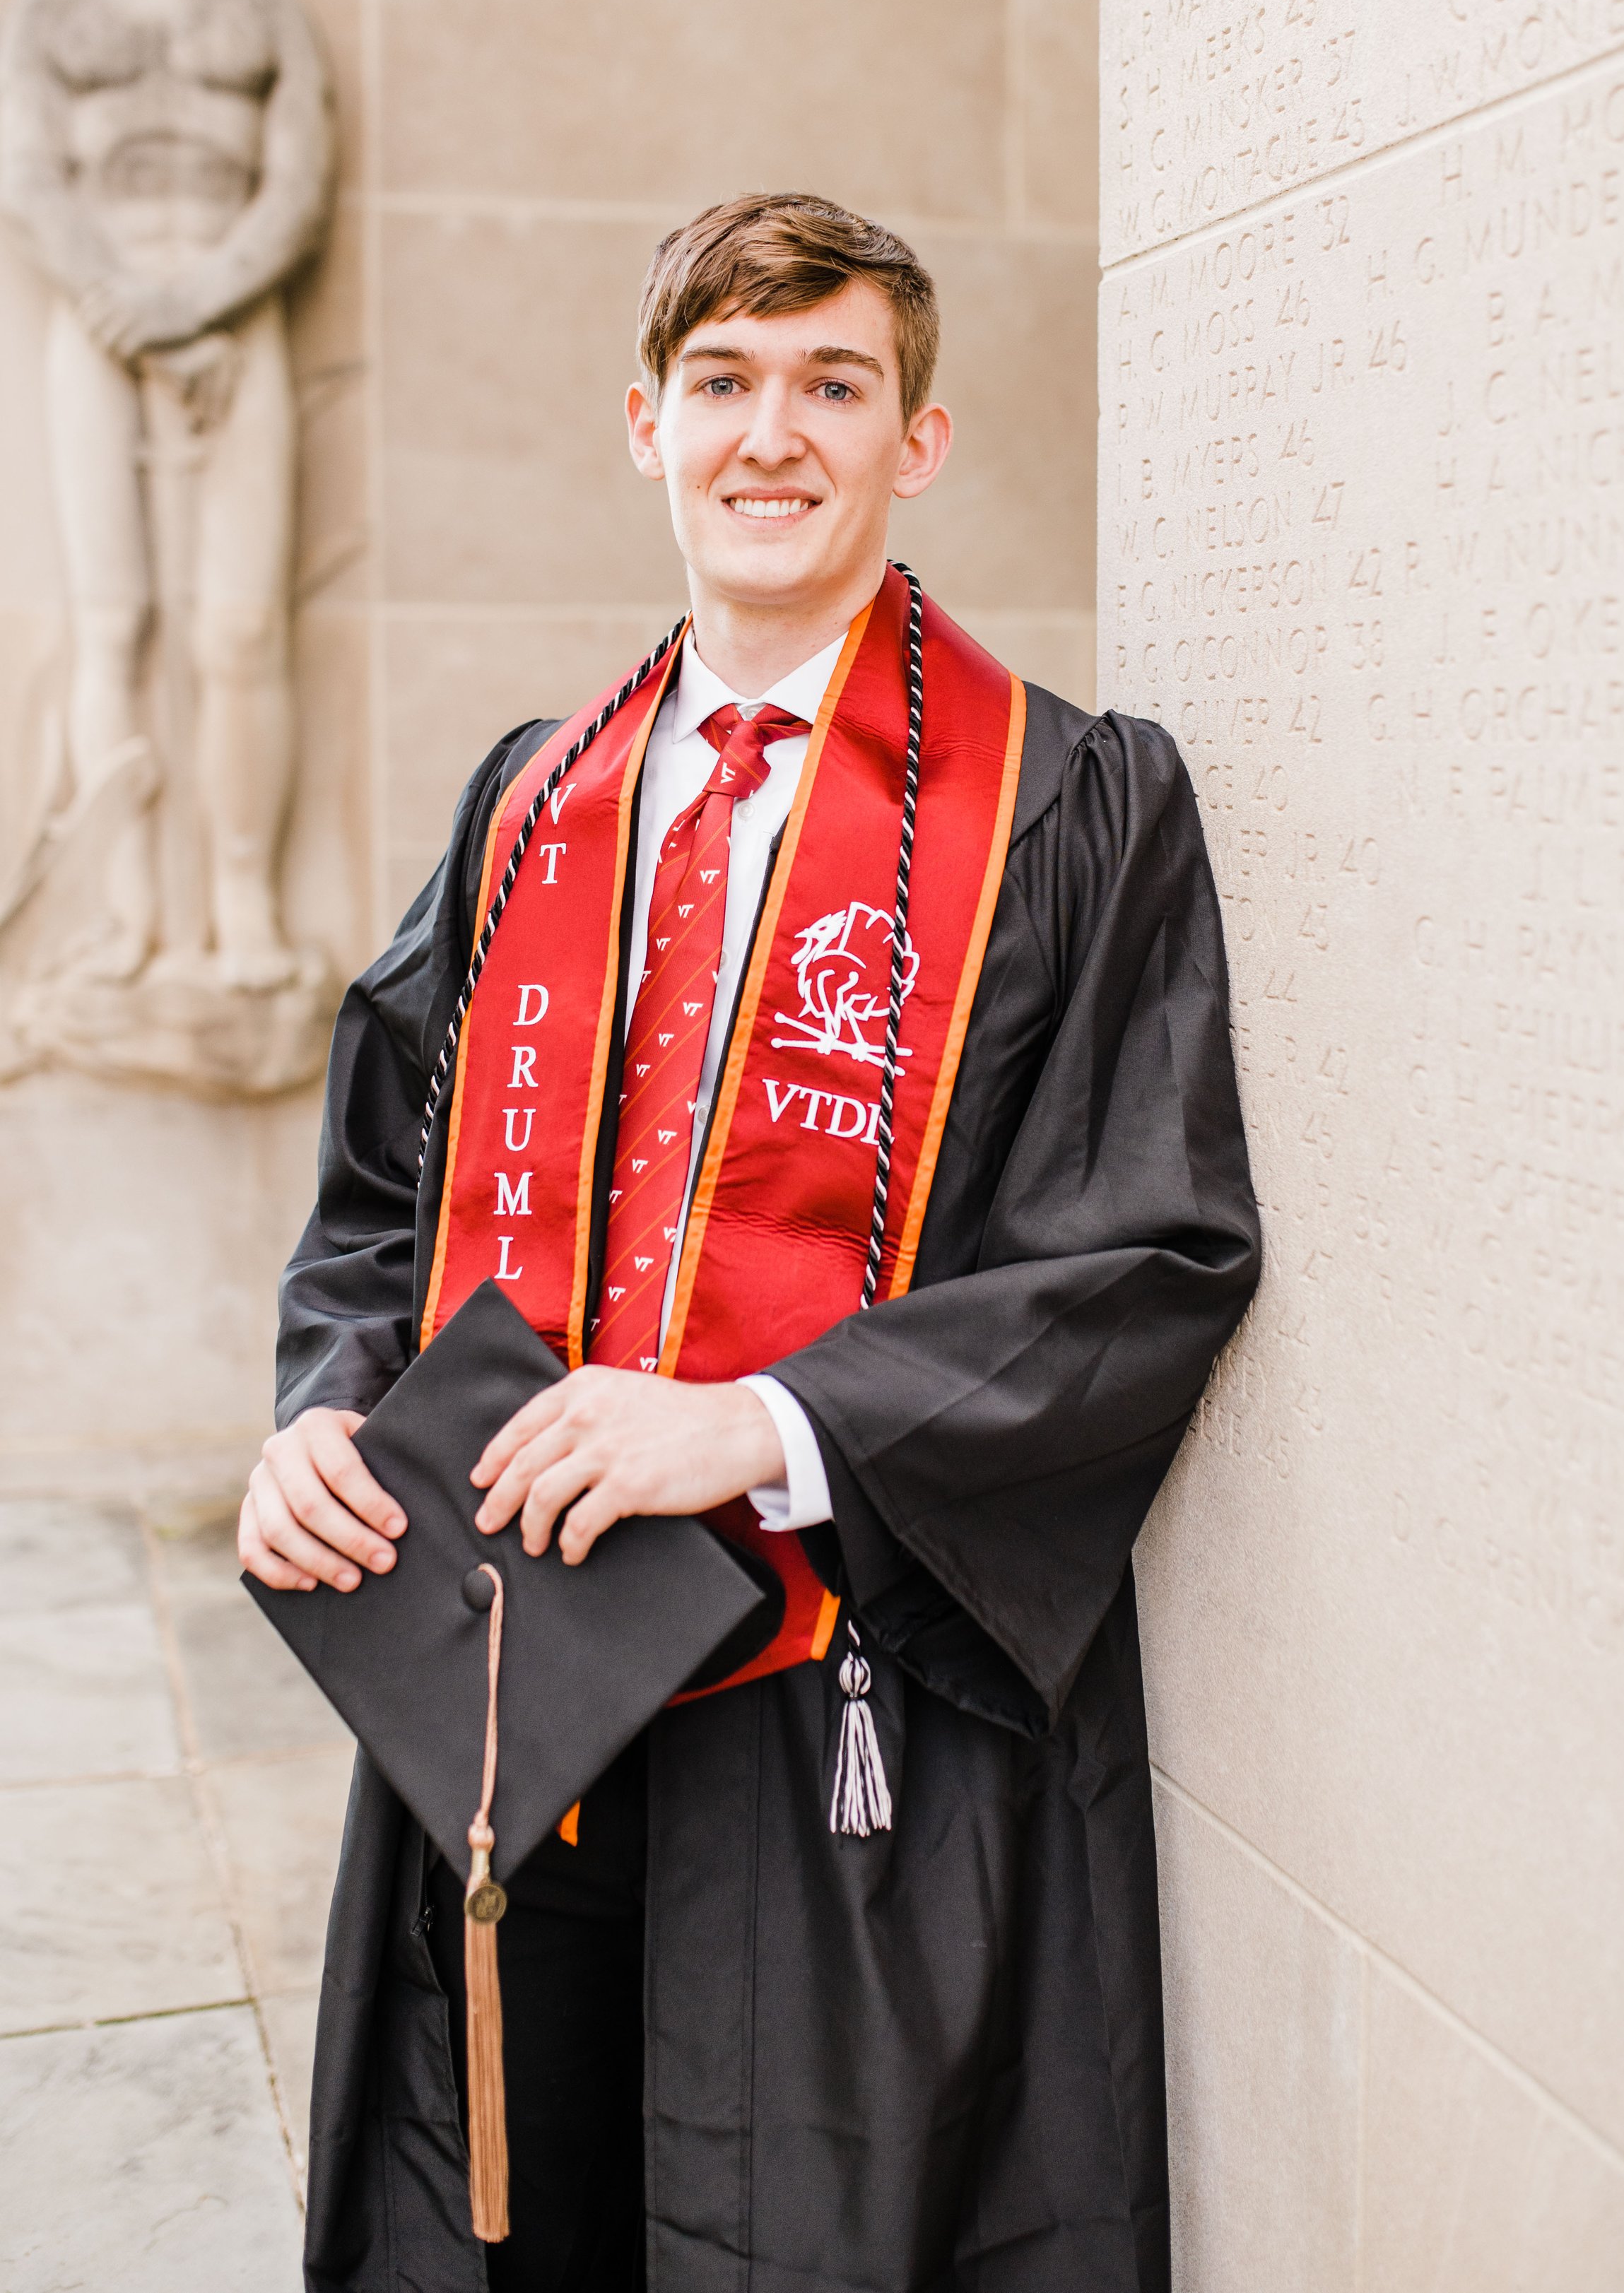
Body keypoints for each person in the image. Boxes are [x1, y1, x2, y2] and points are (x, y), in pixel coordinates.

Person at [242, 194, 1260, 2293]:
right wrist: (322, 1417)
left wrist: (768, 1425)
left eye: (831, 383)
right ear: (645, 425)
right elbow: (377, 1204)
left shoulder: (1070, 811)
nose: (769, 433)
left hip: (843, 1716)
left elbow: (1146, 1249)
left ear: (922, 436)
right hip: (514, 1693)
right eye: (722, 382)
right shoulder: (532, 807)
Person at [0, 0, 333, 989]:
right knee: (114, 622)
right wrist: (135, 316)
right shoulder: (49, 22)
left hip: (234, 319)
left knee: (239, 627)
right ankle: (128, 911)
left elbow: (295, 192)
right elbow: (29, 179)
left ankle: (243, 904)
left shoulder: (266, 23)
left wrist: (192, 310)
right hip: (98, 323)